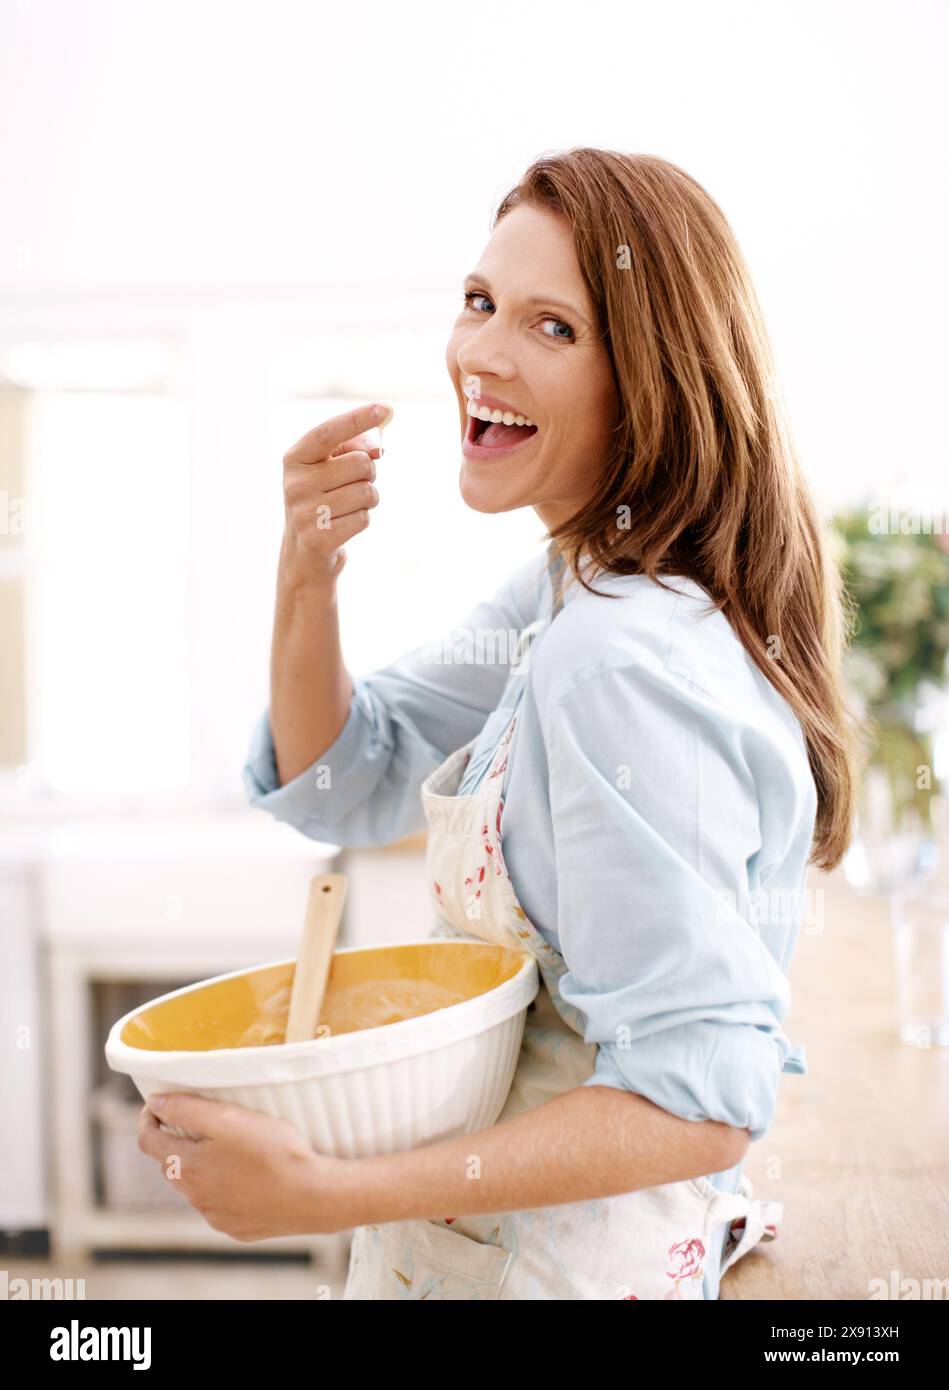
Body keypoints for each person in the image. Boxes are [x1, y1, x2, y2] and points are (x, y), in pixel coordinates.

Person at [139, 147, 858, 1300]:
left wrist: (321, 1189)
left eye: (552, 327)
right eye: (479, 303)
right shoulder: (573, 590)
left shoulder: (616, 657)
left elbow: (700, 1096)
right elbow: (343, 778)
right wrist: (305, 575)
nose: (480, 350)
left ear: (652, 376)